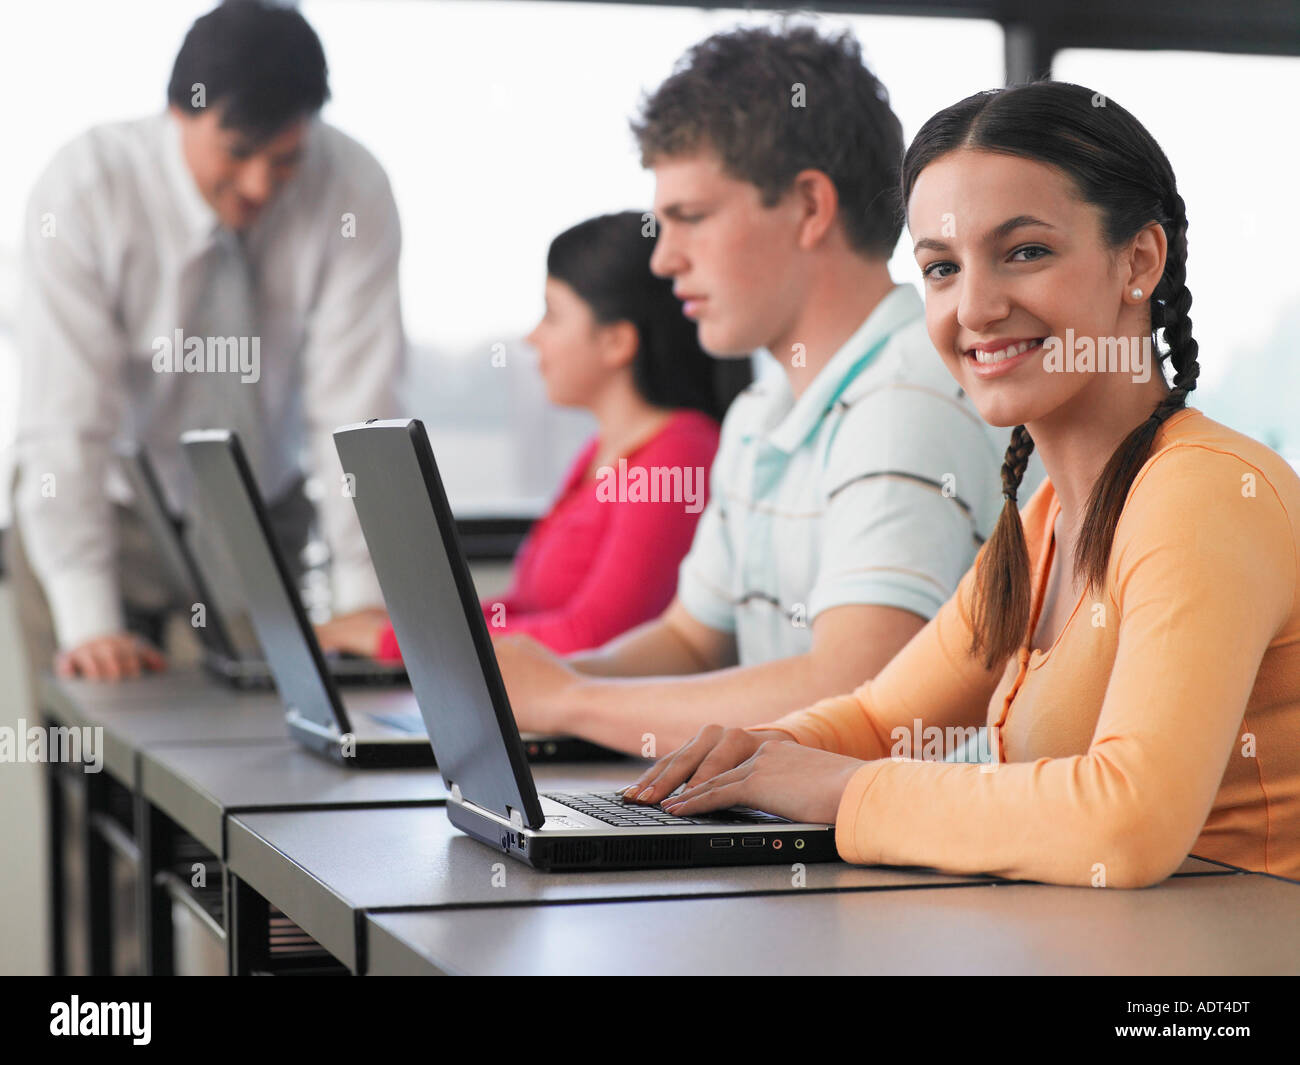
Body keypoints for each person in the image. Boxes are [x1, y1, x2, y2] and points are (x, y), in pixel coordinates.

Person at [622, 80, 1300, 889]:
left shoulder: (1204, 492)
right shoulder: (1047, 519)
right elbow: (880, 717)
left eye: (1025, 252)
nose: (974, 307)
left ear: (1139, 260)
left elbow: (1128, 822)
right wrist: (744, 756)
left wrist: (840, 789)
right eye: (941, 268)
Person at [491, 24, 1030, 757]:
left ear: (810, 208)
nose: (664, 258)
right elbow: (690, 640)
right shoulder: (759, 413)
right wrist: (535, 683)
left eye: (691, 218)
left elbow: (855, 691)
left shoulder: (908, 394)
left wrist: (570, 700)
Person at [6, 0, 404, 682]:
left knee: (262, 750)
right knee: (96, 753)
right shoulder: (85, 188)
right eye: (238, 153)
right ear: (179, 113)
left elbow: (355, 412)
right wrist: (90, 621)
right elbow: (67, 419)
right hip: (102, 504)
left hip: (258, 510)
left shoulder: (351, 189)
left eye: (283, 161)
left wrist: (365, 602)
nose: (257, 185)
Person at [316, 211, 725, 657]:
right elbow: (528, 609)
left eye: (552, 316)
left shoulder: (679, 456)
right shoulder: (600, 452)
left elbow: (594, 638)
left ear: (616, 342)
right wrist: (412, 625)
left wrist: (395, 643)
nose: (533, 337)